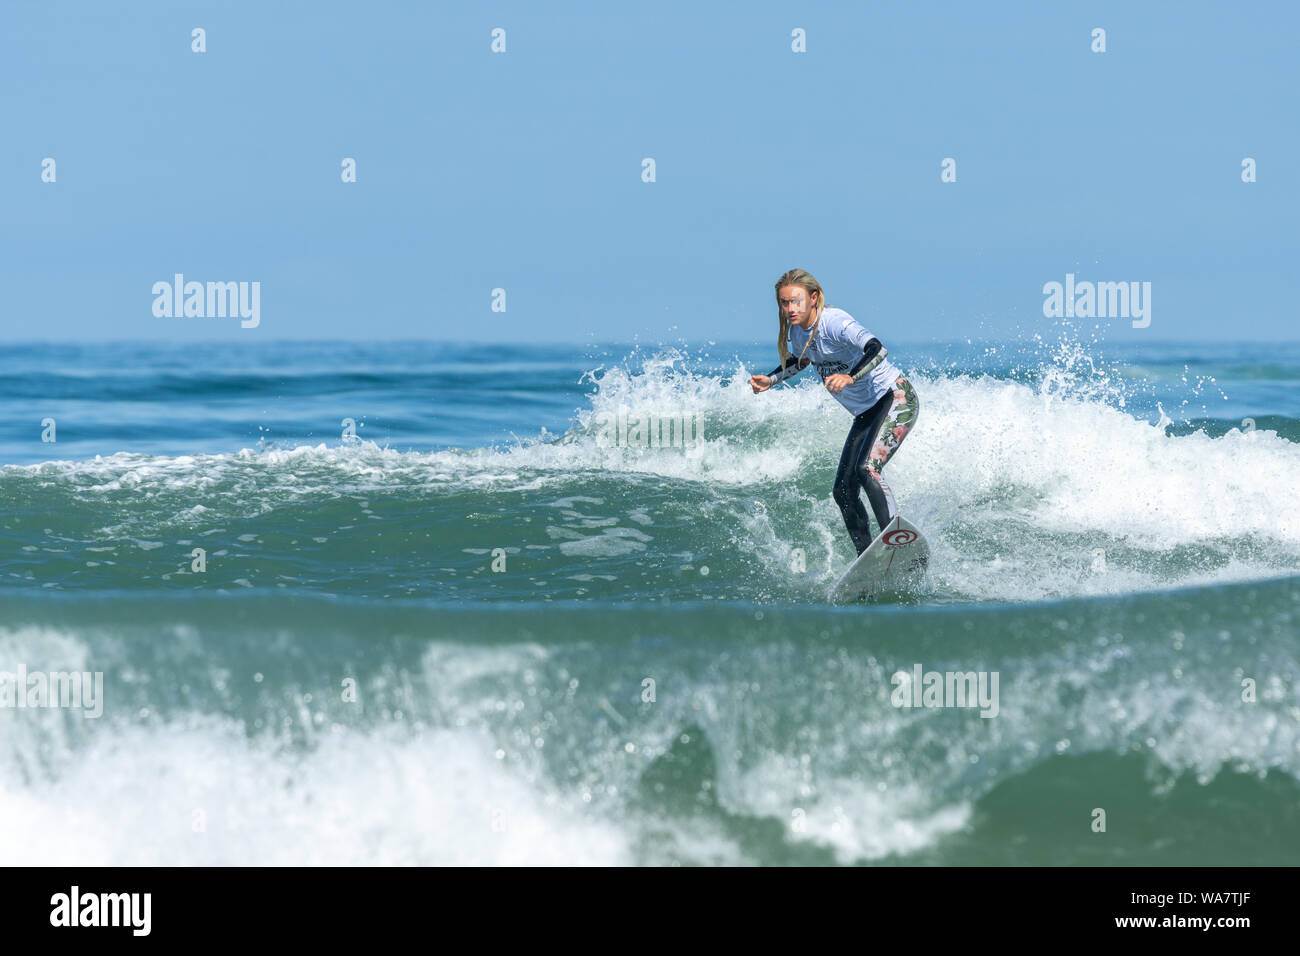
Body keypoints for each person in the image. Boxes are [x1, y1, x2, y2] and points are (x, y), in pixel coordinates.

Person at [750, 268, 919, 556]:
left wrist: (851, 376)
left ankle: (896, 542)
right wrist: (772, 379)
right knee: (842, 490)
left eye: (796, 302)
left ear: (813, 298)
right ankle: (867, 558)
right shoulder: (796, 331)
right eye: (784, 303)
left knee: (868, 470)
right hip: (866, 413)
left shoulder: (835, 321)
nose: (790, 309)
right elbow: (803, 360)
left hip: (895, 399)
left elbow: (878, 349)